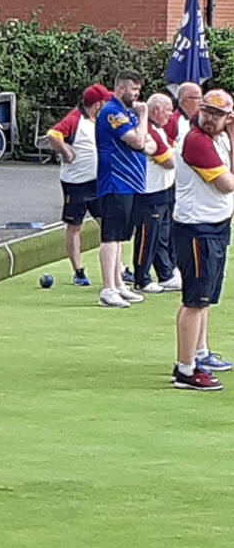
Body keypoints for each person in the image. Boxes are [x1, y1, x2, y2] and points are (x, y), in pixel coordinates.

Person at [171, 88, 234, 390]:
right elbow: (226, 183)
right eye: (207, 111)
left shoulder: (218, 137)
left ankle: (199, 354)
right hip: (198, 229)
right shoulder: (196, 140)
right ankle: (185, 369)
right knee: (195, 301)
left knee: (203, 299)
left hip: (214, 226)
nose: (210, 118)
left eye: (218, 114)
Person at [47, 83, 112, 286]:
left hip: (97, 181)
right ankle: (78, 270)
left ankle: (116, 269)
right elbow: (53, 134)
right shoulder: (75, 119)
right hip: (75, 183)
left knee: (107, 223)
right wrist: (65, 151)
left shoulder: (100, 120)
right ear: (98, 104)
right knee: (74, 225)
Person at [95, 70, 149, 308]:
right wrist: (144, 116)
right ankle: (108, 288)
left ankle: (118, 284)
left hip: (131, 182)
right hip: (115, 181)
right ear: (120, 89)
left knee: (120, 237)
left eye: (138, 90)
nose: (137, 94)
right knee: (110, 236)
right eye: (133, 89)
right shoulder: (112, 112)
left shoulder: (127, 113)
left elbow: (145, 142)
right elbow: (137, 141)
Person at [132, 93, 177, 293]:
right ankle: (141, 278)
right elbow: (169, 160)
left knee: (161, 236)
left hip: (164, 191)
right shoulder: (148, 130)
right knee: (147, 237)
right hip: (149, 192)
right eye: (168, 109)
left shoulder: (159, 129)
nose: (171, 114)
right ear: (156, 110)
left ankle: (165, 274)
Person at [166, 82, 203, 146]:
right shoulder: (172, 121)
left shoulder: (200, 119)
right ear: (185, 101)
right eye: (198, 98)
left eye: (201, 98)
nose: (201, 101)